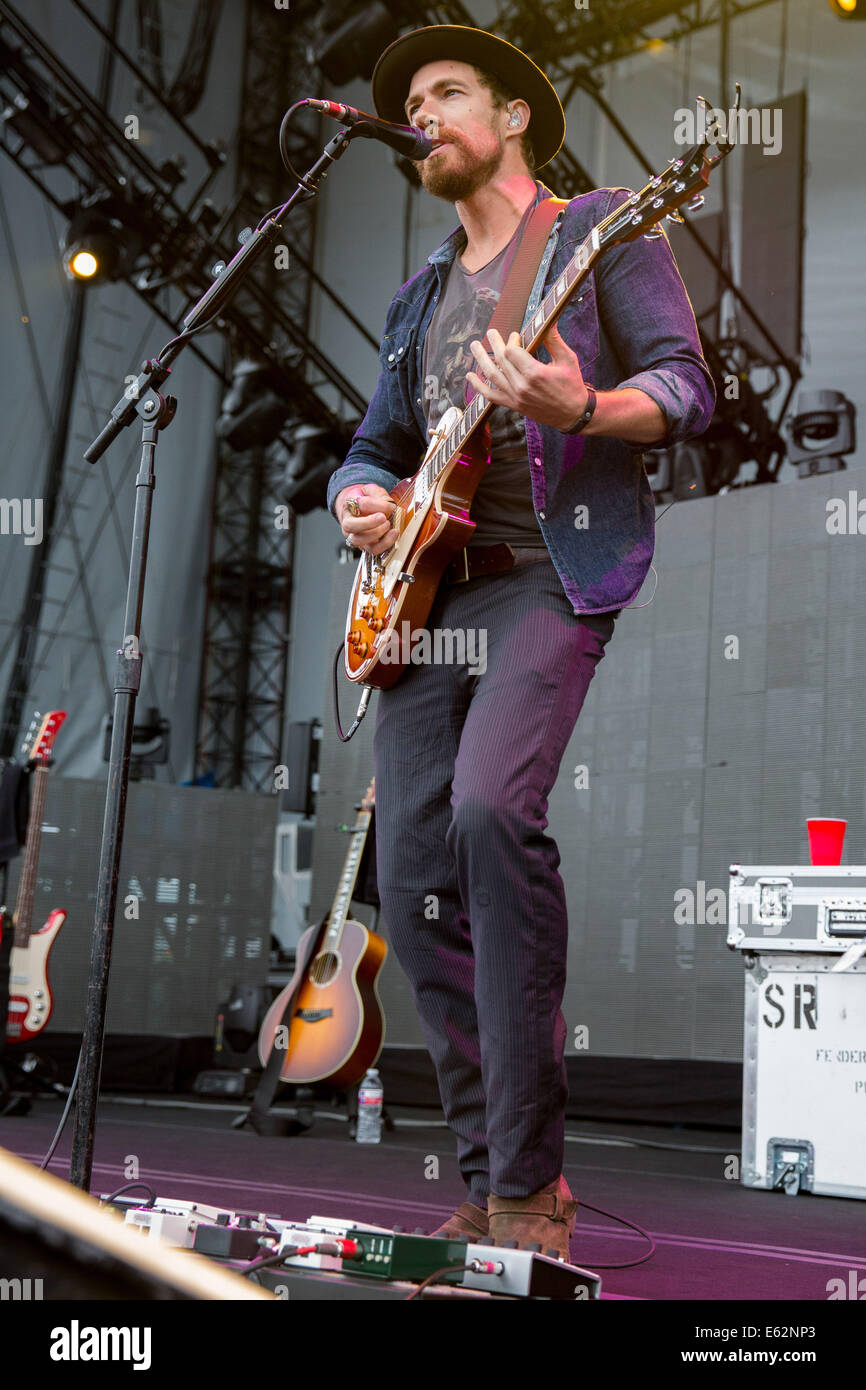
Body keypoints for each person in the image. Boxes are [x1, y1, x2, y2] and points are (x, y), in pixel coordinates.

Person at [326, 24, 715, 1261]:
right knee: (411, 868)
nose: (420, 113)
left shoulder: (602, 224)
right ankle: (489, 1179)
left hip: (546, 573)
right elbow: (375, 443)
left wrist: (582, 404)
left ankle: (534, 1186)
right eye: (408, 103)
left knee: (495, 815)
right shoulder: (418, 292)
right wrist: (358, 499)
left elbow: (688, 386)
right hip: (423, 601)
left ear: (512, 115)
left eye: (443, 93)